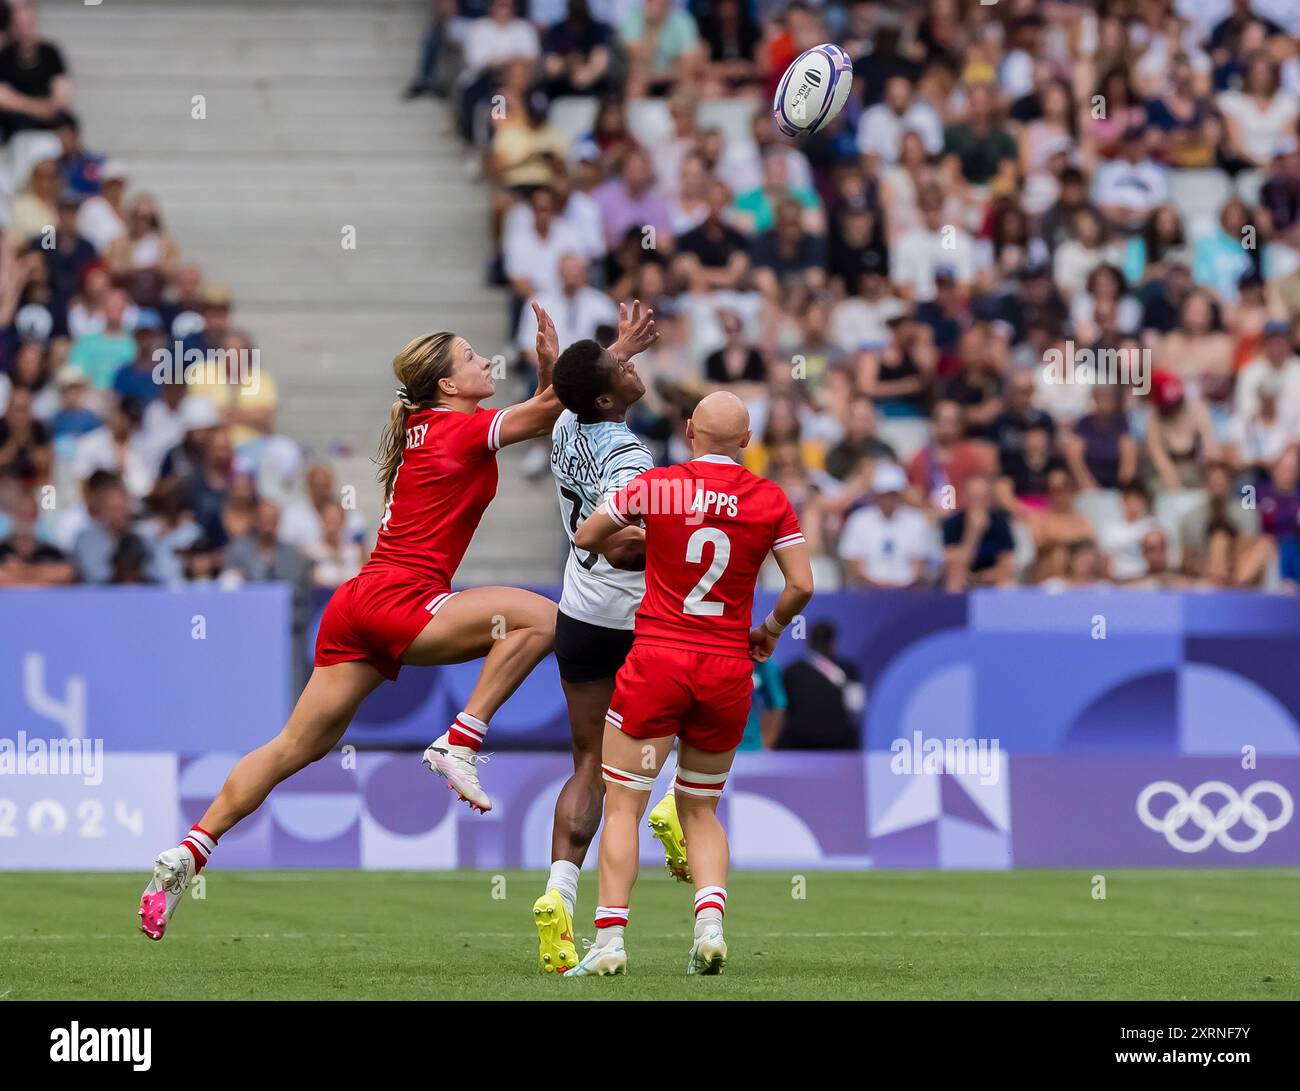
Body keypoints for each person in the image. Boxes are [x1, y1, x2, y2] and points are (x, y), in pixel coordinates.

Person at [137, 305, 631, 942]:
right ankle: (461, 739)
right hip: (401, 598)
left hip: (357, 603)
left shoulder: (435, 425)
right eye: (473, 358)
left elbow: (544, 409)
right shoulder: (461, 430)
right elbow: (550, 411)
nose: (486, 363)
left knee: (295, 745)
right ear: (448, 385)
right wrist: (614, 350)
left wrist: (547, 369)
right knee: (540, 618)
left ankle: (189, 851)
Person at [566, 390, 814, 977]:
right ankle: (709, 927)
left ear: (689, 432)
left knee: (624, 804)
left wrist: (650, 546)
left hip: (657, 661)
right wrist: (770, 630)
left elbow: (586, 536)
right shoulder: (770, 497)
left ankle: (610, 940)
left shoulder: (658, 485)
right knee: (700, 810)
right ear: (748, 443)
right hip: (726, 666)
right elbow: (801, 584)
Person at [532, 316, 660, 975]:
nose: (634, 368)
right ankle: (673, 813)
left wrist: (613, 350)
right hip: (635, 621)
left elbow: (574, 386)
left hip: (579, 614)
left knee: (586, 758)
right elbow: (614, 537)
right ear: (608, 399)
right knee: (671, 736)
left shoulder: (563, 424)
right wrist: (677, 527)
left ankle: (558, 890)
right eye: (625, 370)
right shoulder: (631, 458)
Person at [776, 620, 863, 750]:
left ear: (808, 641)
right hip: (838, 743)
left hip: (798, 743)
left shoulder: (791, 670)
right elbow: (856, 707)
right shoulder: (849, 670)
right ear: (832, 642)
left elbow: (782, 709)